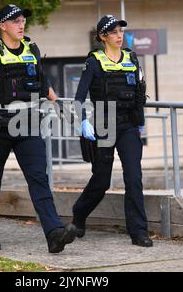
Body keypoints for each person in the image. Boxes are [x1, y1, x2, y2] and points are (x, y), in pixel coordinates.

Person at [0, 4, 76, 253]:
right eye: (15, 21)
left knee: (38, 177)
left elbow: (42, 81)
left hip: (28, 122)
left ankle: (54, 232)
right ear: (2, 25)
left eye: (23, 20)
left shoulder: (31, 49)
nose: (21, 24)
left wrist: (57, 103)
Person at [72, 15, 153, 247]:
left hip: (128, 125)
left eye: (121, 31)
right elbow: (79, 98)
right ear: (102, 37)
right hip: (103, 125)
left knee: (134, 177)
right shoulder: (94, 62)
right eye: (114, 32)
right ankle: (79, 213)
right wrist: (84, 121)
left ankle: (138, 231)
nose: (120, 36)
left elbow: (140, 91)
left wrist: (140, 120)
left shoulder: (131, 58)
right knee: (101, 181)